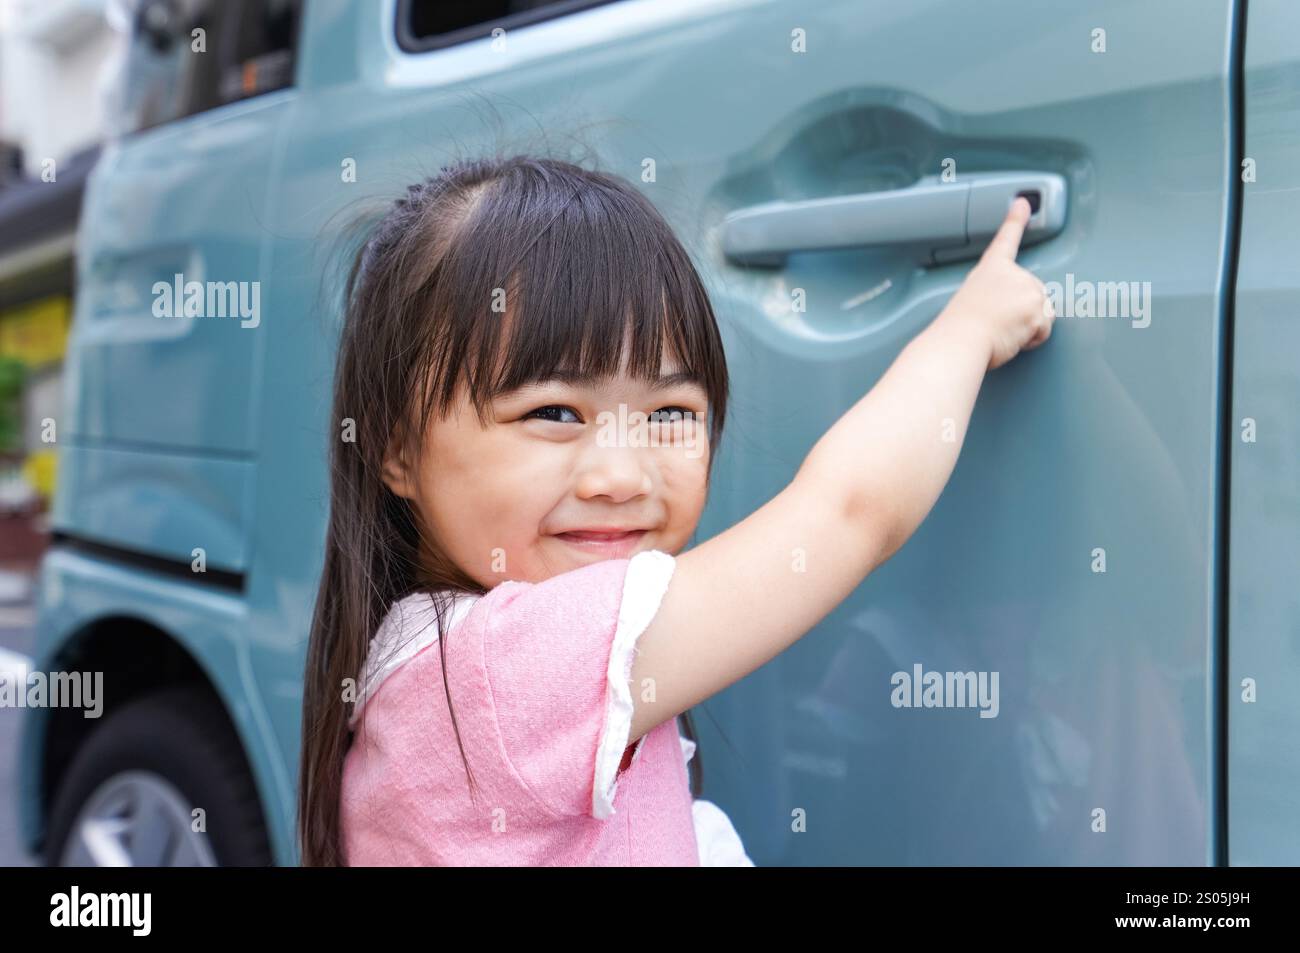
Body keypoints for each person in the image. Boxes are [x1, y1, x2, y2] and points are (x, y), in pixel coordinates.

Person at [297, 155, 1054, 866]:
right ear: (395, 447)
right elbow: (849, 512)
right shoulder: (499, 673)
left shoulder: (436, 664)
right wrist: (970, 329)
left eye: (669, 413)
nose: (621, 476)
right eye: (555, 411)